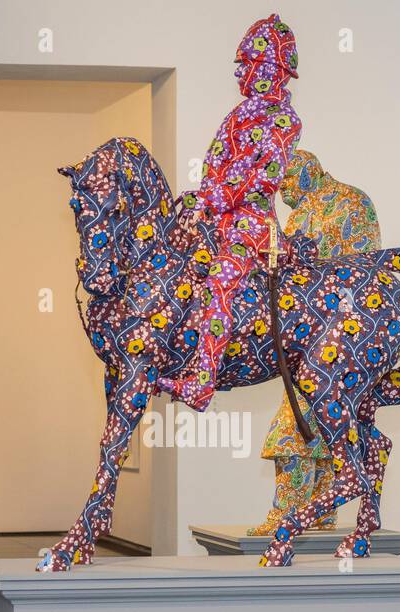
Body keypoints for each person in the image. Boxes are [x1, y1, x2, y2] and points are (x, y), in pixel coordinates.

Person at [158, 13, 301, 412]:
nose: (239, 71)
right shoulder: (237, 115)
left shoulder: (285, 120)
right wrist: (198, 198)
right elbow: (216, 170)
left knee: (220, 279)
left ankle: (203, 384)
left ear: (271, 70)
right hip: (216, 215)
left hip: (252, 226)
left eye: (247, 63)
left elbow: (262, 179)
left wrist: (213, 200)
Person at [247, 149, 381, 535]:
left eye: (287, 181)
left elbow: (355, 268)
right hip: (315, 331)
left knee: (292, 429)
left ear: (309, 172)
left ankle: (285, 517)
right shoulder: (304, 209)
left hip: (340, 330)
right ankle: (320, 514)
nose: (283, 190)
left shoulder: (348, 202)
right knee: (319, 424)